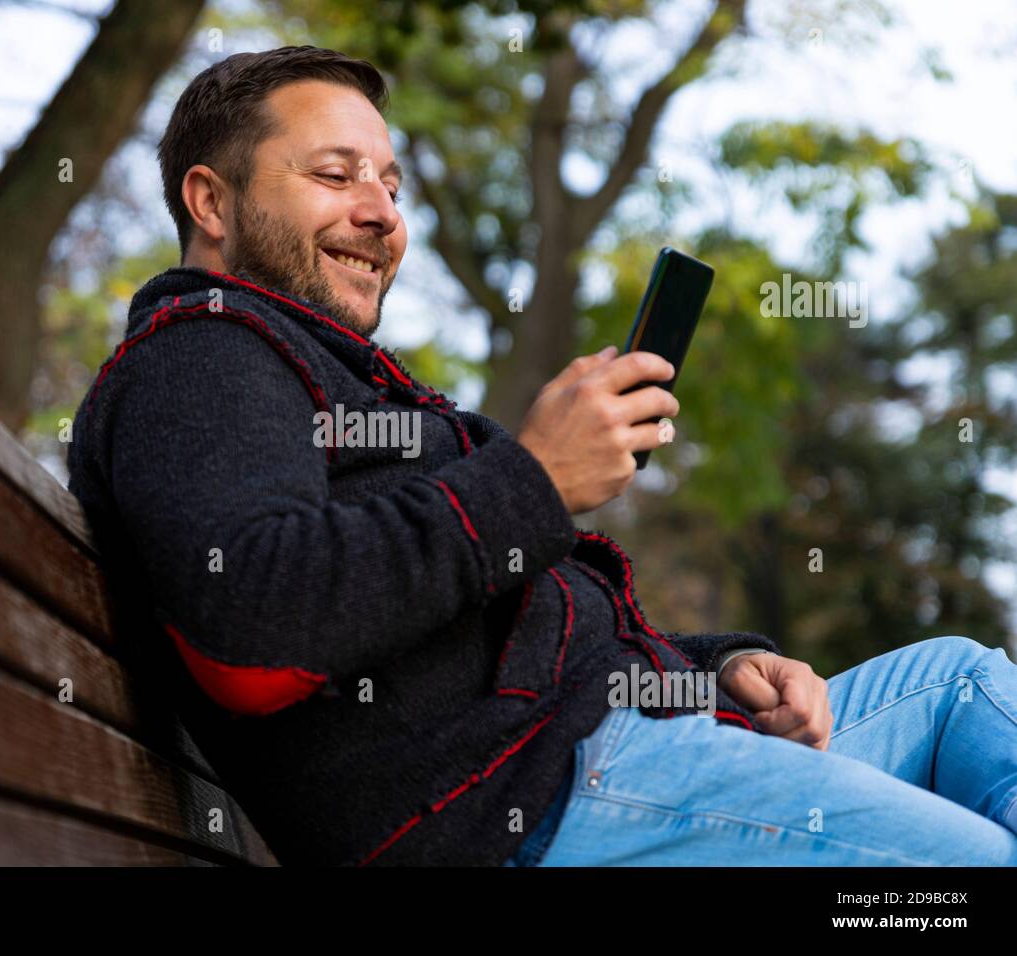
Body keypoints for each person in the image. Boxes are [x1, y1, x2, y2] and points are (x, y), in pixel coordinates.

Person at [66, 45, 1017, 866]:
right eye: (336, 174)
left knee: (963, 685)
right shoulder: (201, 355)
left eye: (391, 184)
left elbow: (507, 639)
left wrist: (715, 671)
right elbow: (253, 632)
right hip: (524, 806)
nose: (383, 213)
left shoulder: (329, 375)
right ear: (211, 201)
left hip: (621, 743)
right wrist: (537, 479)